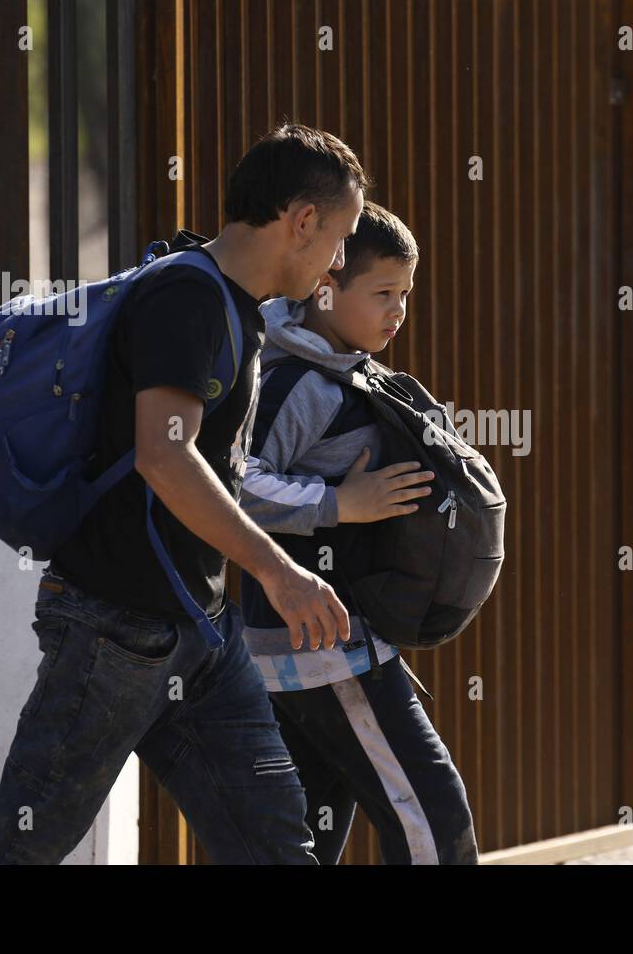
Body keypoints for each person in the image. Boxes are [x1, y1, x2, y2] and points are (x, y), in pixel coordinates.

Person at [0, 124, 367, 864]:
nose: (337, 263)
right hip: (115, 630)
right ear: (302, 221)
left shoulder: (234, 304)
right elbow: (164, 454)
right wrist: (278, 568)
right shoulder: (189, 297)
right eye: (338, 238)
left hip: (199, 636)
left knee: (274, 842)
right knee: (21, 842)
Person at [239, 202, 479, 864]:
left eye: (405, 294)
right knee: (431, 810)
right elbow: (229, 485)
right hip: (323, 645)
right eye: (382, 293)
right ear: (326, 287)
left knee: (309, 839)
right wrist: (339, 504)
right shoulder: (296, 380)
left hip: (327, 643)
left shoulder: (345, 369)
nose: (397, 311)